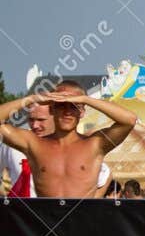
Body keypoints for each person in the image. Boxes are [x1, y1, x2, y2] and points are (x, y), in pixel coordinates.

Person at [0, 80, 137, 197]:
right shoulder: (35, 143)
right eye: (61, 105)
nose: (67, 112)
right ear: (52, 110)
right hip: (44, 223)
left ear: (82, 112)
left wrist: (85, 99)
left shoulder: (95, 144)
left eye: (73, 106)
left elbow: (129, 120)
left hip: (81, 223)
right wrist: (34, 98)